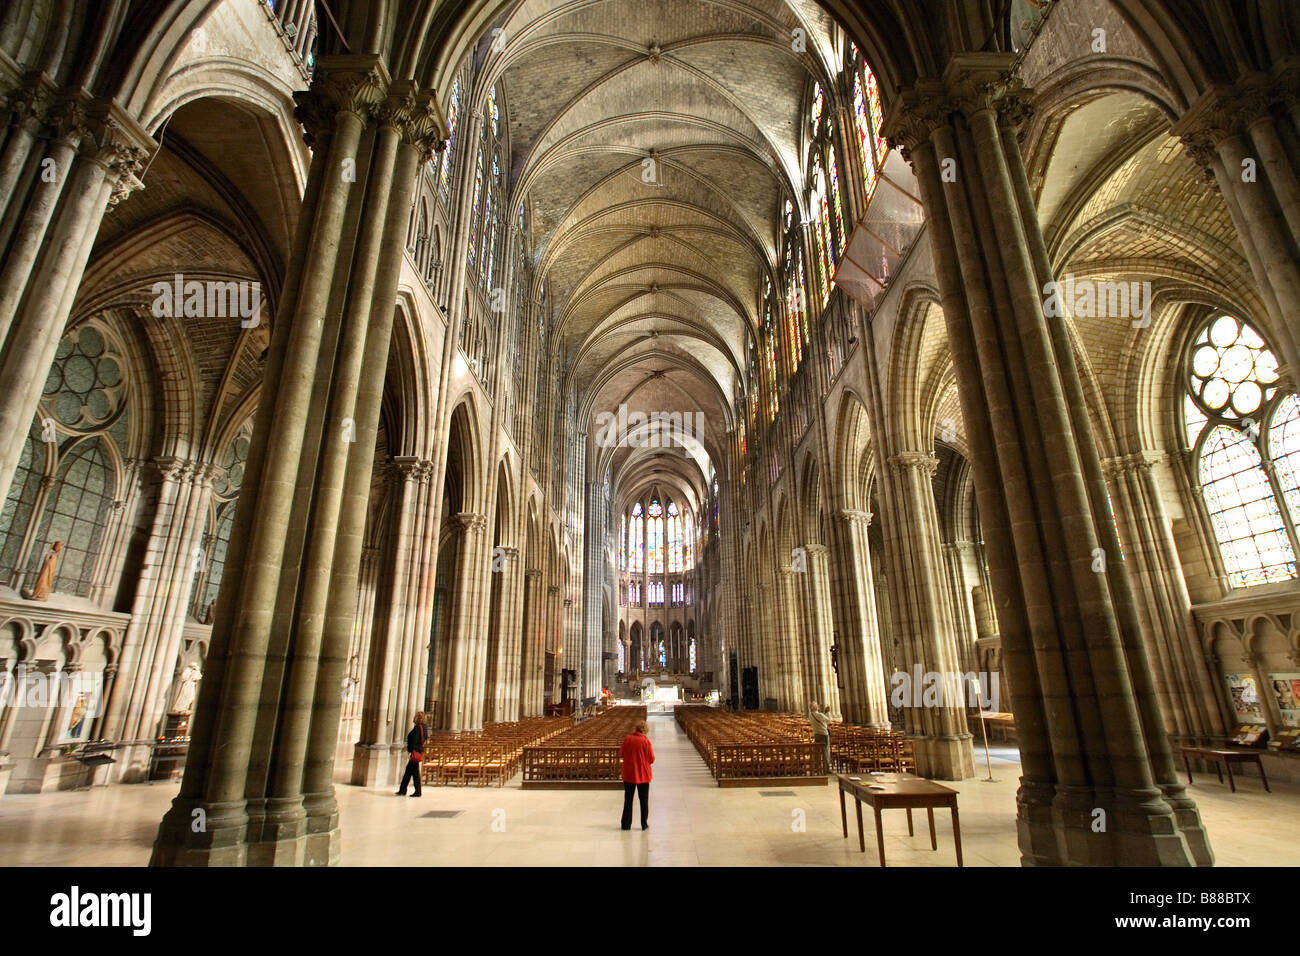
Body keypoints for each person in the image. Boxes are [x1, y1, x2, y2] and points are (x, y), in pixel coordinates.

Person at [619, 720, 654, 830]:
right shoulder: (645, 741)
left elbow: (622, 754)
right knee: (644, 800)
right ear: (645, 730)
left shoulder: (628, 739)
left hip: (629, 773)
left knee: (628, 799)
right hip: (643, 774)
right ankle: (644, 824)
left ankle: (626, 824)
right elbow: (651, 759)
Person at [397, 712, 427, 797]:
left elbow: (414, 740)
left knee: (413, 773)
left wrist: (410, 750)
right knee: (410, 772)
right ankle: (404, 789)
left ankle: (414, 791)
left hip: (415, 751)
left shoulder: (418, 728)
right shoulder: (424, 728)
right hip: (419, 751)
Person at [809, 702, 833, 774]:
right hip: (823, 735)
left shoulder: (811, 714)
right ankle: (826, 769)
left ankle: (817, 767)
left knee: (818, 751)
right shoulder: (819, 715)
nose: (818, 706)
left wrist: (824, 713)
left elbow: (821, 718)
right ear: (815, 707)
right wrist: (828, 712)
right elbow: (829, 720)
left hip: (816, 734)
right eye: (817, 705)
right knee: (826, 752)